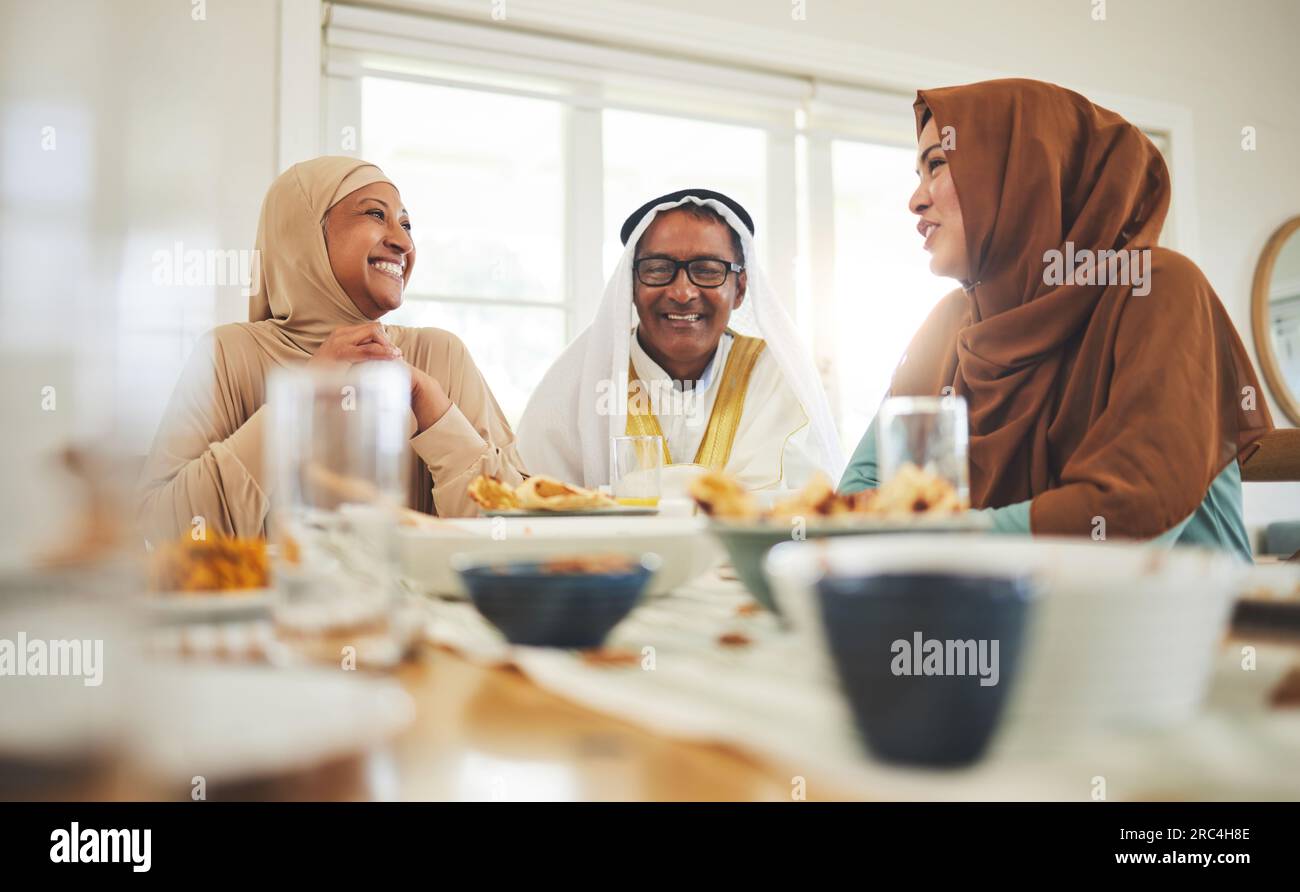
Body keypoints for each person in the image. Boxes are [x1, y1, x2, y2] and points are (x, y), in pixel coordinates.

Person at [839, 79, 1272, 559]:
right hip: (1008, 616)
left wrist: (942, 539)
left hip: (1186, 627)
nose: (915, 200)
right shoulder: (951, 322)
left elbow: (1131, 510)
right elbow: (860, 487)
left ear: (1027, 173)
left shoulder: (1157, 286)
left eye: (937, 164)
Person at [136, 156, 525, 541]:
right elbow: (165, 533)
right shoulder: (226, 354)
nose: (403, 241)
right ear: (300, 235)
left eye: (406, 223)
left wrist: (435, 410)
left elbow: (515, 533)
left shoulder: (441, 357)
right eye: (375, 215)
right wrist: (301, 398)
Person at [517, 188, 843, 493]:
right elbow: (543, 502)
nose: (682, 292)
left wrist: (625, 491)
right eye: (659, 269)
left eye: (707, 270)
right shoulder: (580, 379)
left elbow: (787, 503)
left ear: (740, 289)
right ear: (629, 287)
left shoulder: (774, 374)